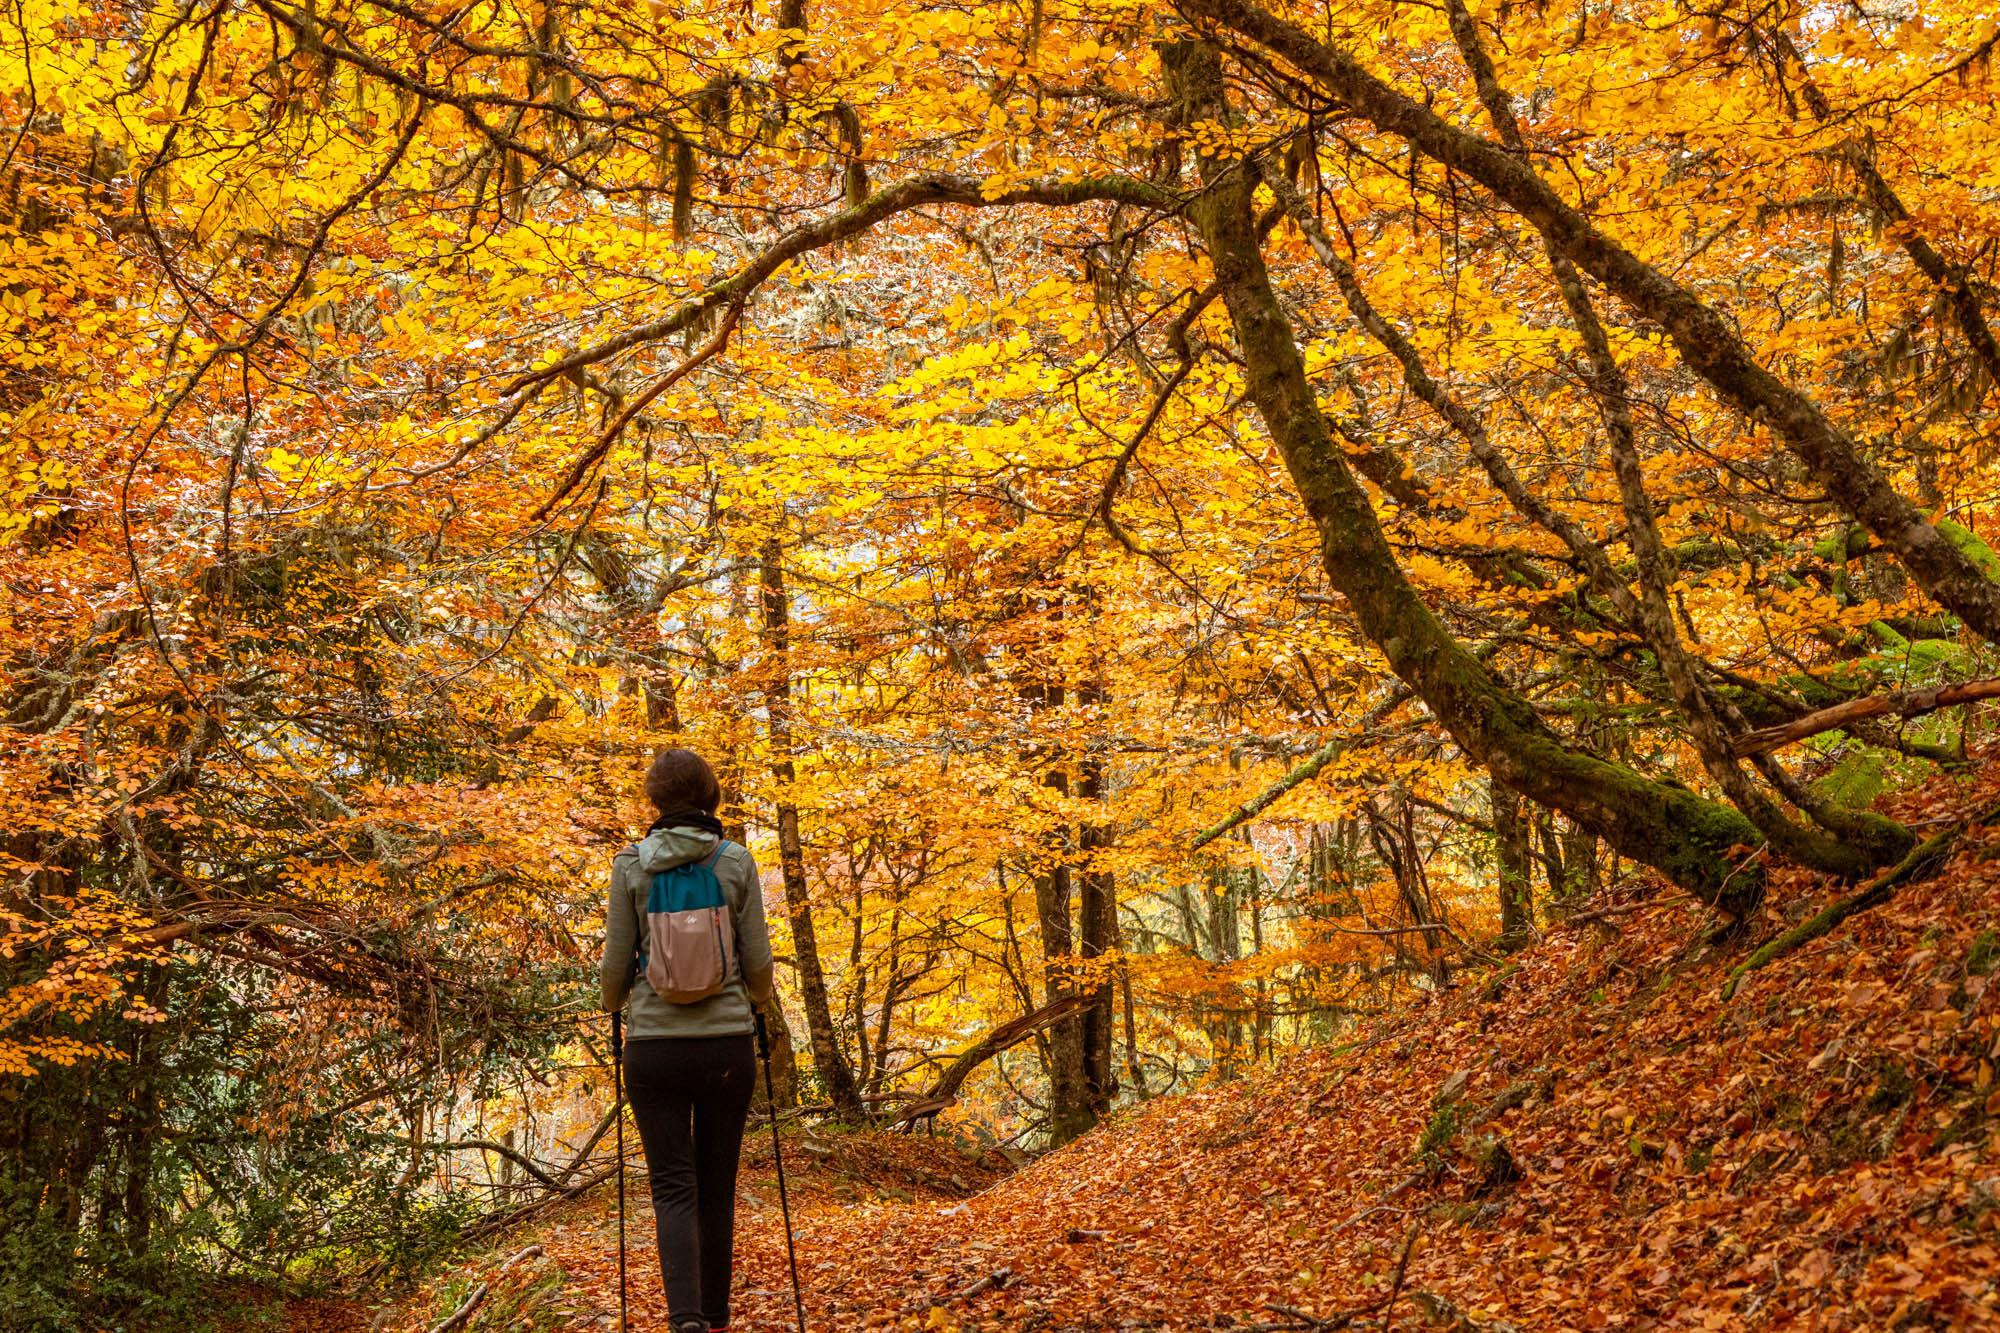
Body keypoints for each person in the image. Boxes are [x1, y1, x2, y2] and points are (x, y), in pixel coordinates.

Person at [600, 748, 775, 1333]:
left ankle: (687, 1322)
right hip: (726, 1044)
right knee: (716, 1184)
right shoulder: (735, 862)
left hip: (654, 1047)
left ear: (656, 799)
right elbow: (758, 962)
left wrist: (612, 1006)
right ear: (709, 796)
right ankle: (719, 1318)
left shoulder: (630, 865)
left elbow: (613, 968)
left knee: (673, 1187)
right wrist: (756, 1002)